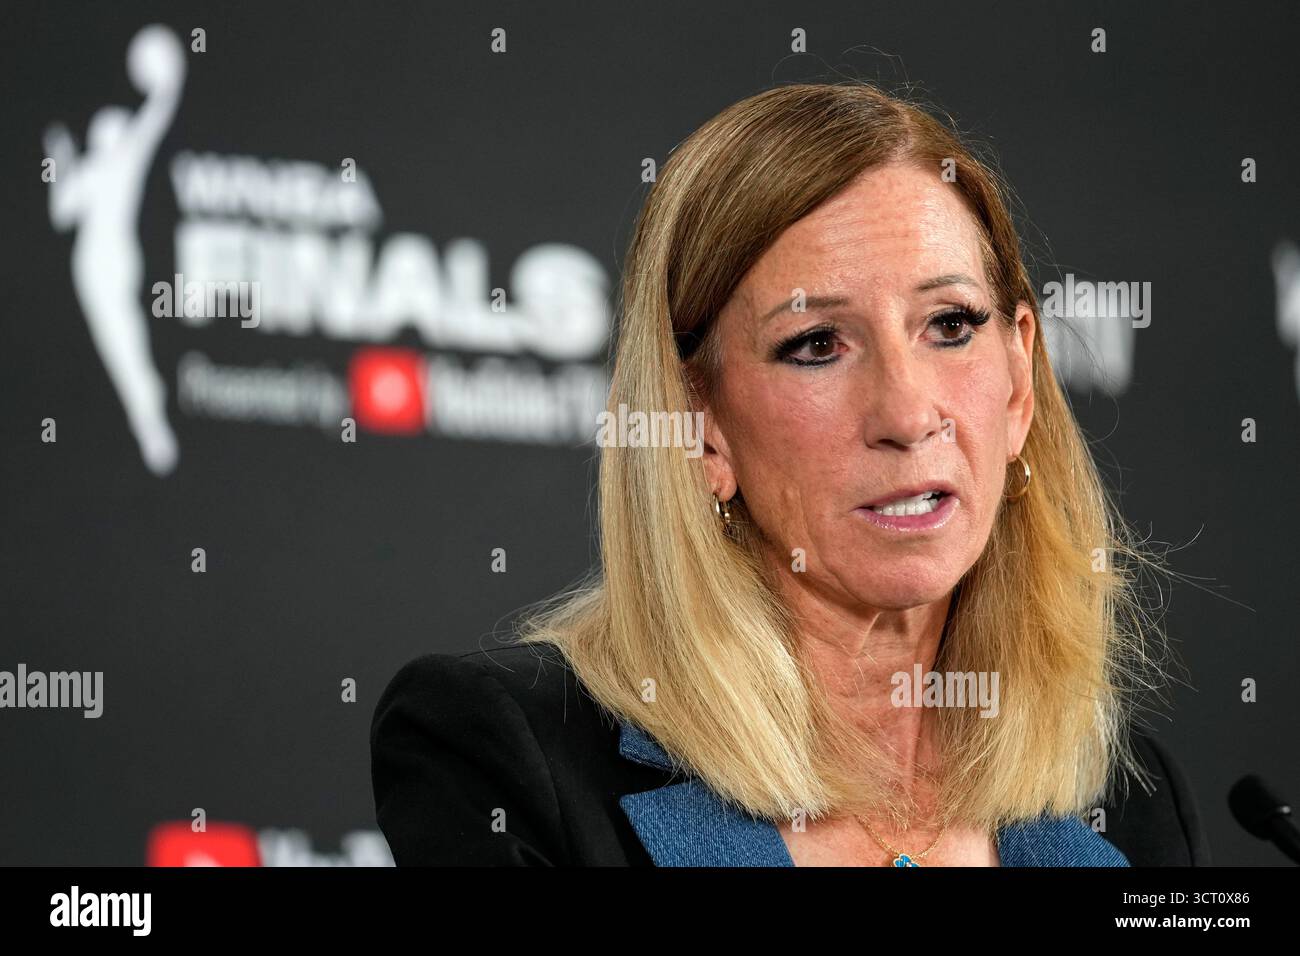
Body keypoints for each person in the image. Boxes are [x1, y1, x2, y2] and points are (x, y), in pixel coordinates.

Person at [371, 81, 1211, 866]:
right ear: (700, 426)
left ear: (1020, 380)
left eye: (949, 324)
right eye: (816, 346)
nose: (908, 414)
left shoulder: (1131, 808)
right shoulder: (514, 753)